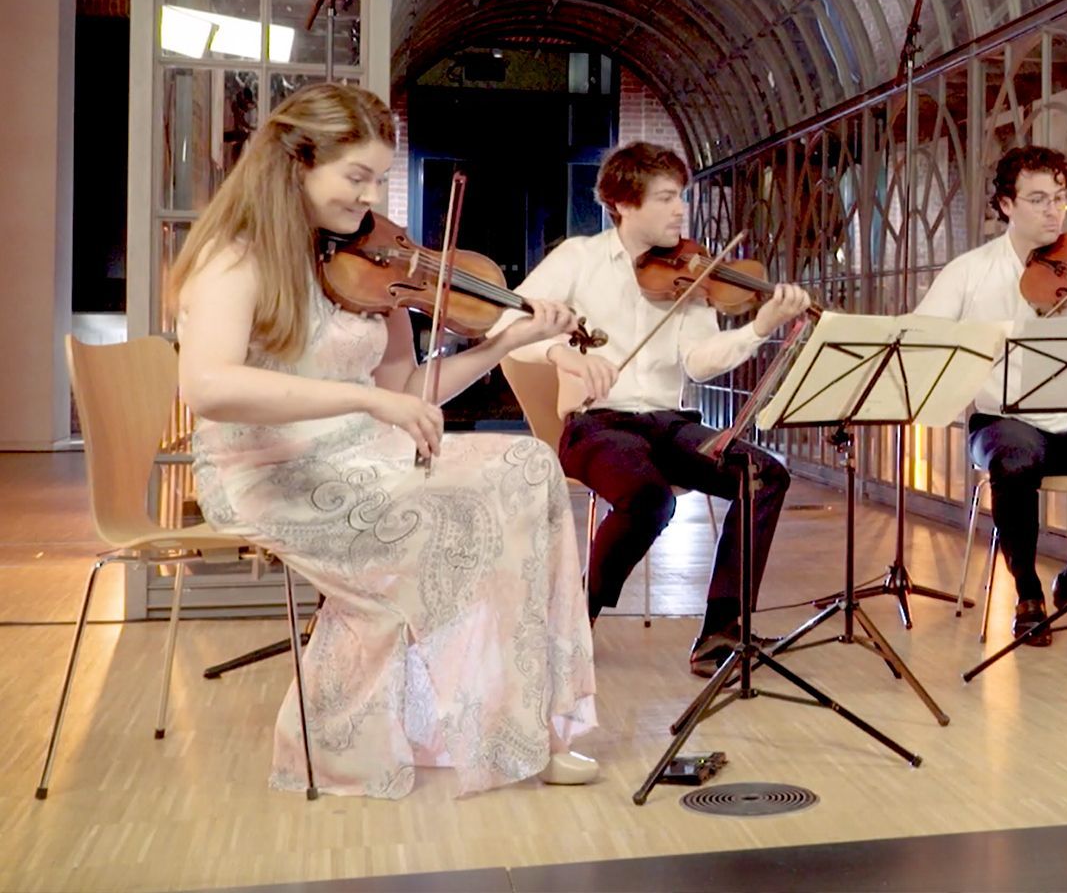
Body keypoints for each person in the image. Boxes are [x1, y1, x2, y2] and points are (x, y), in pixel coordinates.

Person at [173, 82, 598, 797]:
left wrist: (508, 341)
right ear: (294, 165)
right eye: (356, 177)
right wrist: (362, 398)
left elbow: (406, 396)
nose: (371, 198)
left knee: (526, 468)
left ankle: (521, 728)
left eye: (378, 179)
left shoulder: (372, 266)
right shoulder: (234, 257)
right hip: (269, 468)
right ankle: (363, 733)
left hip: (366, 452)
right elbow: (208, 385)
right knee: (443, 520)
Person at [494, 141, 810, 677]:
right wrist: (559, 356)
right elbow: (505, 326)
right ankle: (574, 619)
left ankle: (721, 630)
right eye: (666, 198)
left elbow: (702, 363)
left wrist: (760, 327)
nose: (680, 210)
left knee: (764, 475)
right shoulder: (579, 258)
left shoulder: (689, 272)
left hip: (670, 426)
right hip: (597, 426)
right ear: (623, 203)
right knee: (649, 497)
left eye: (680, 197)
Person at [913, 145, 1067, 647]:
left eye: (1059, 198)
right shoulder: (970, 271)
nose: (1054, 210)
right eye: (1037, 200)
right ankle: (1028, 593)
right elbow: (920, 334)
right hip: (1001, 420)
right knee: (1016, 457)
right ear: (1007, 205)